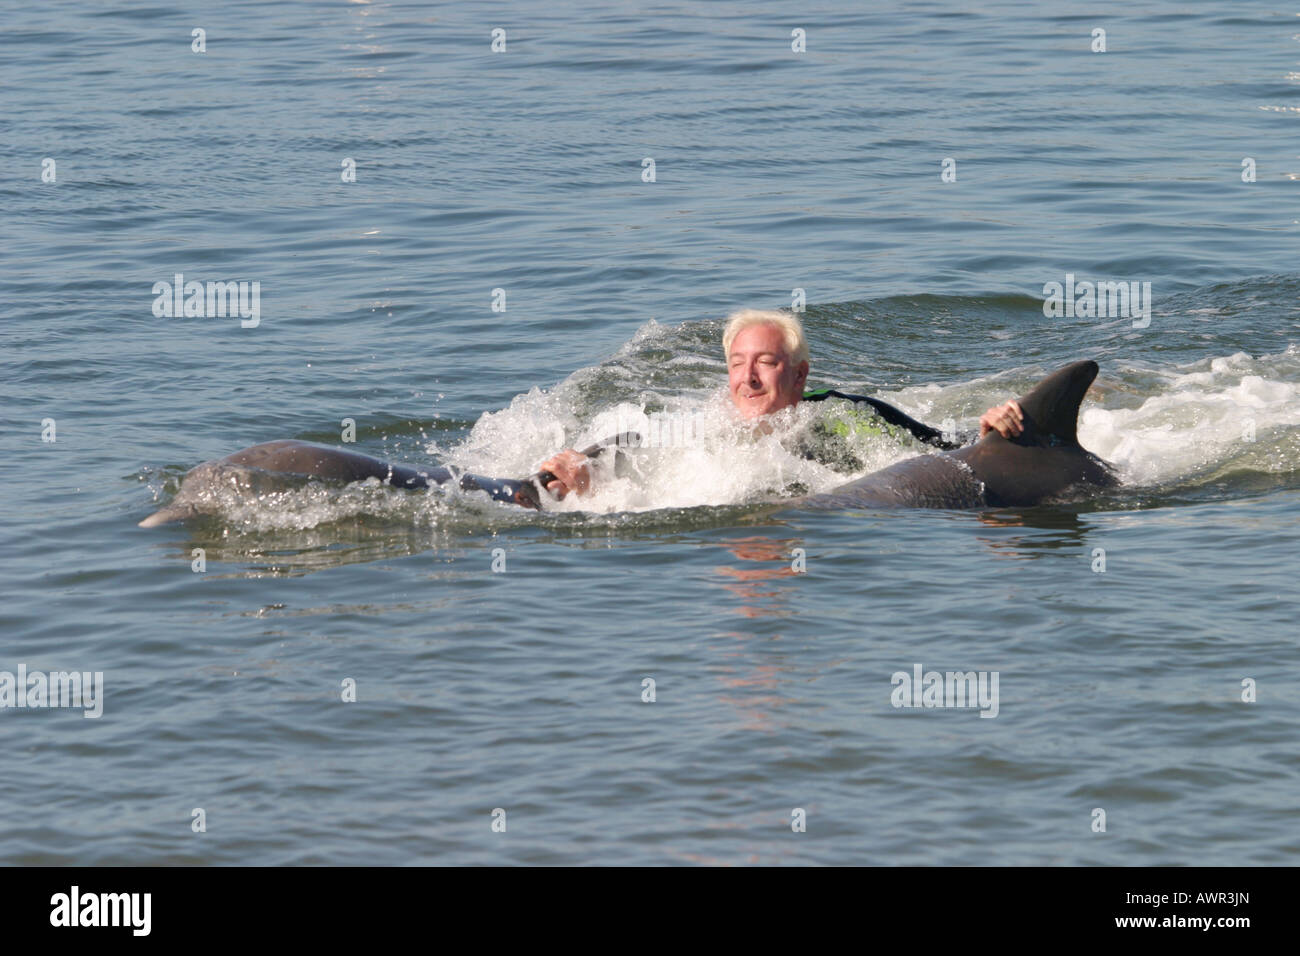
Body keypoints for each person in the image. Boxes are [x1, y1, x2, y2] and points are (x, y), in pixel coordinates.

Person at [538, 308, 1025, 499]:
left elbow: (945, 451)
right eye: (736, 364)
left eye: (765, 363)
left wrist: (989, 431)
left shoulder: (846, 416)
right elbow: (642, 443)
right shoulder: (710, 423)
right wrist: (585, 468)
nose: (747, 378)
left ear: (799, 374)